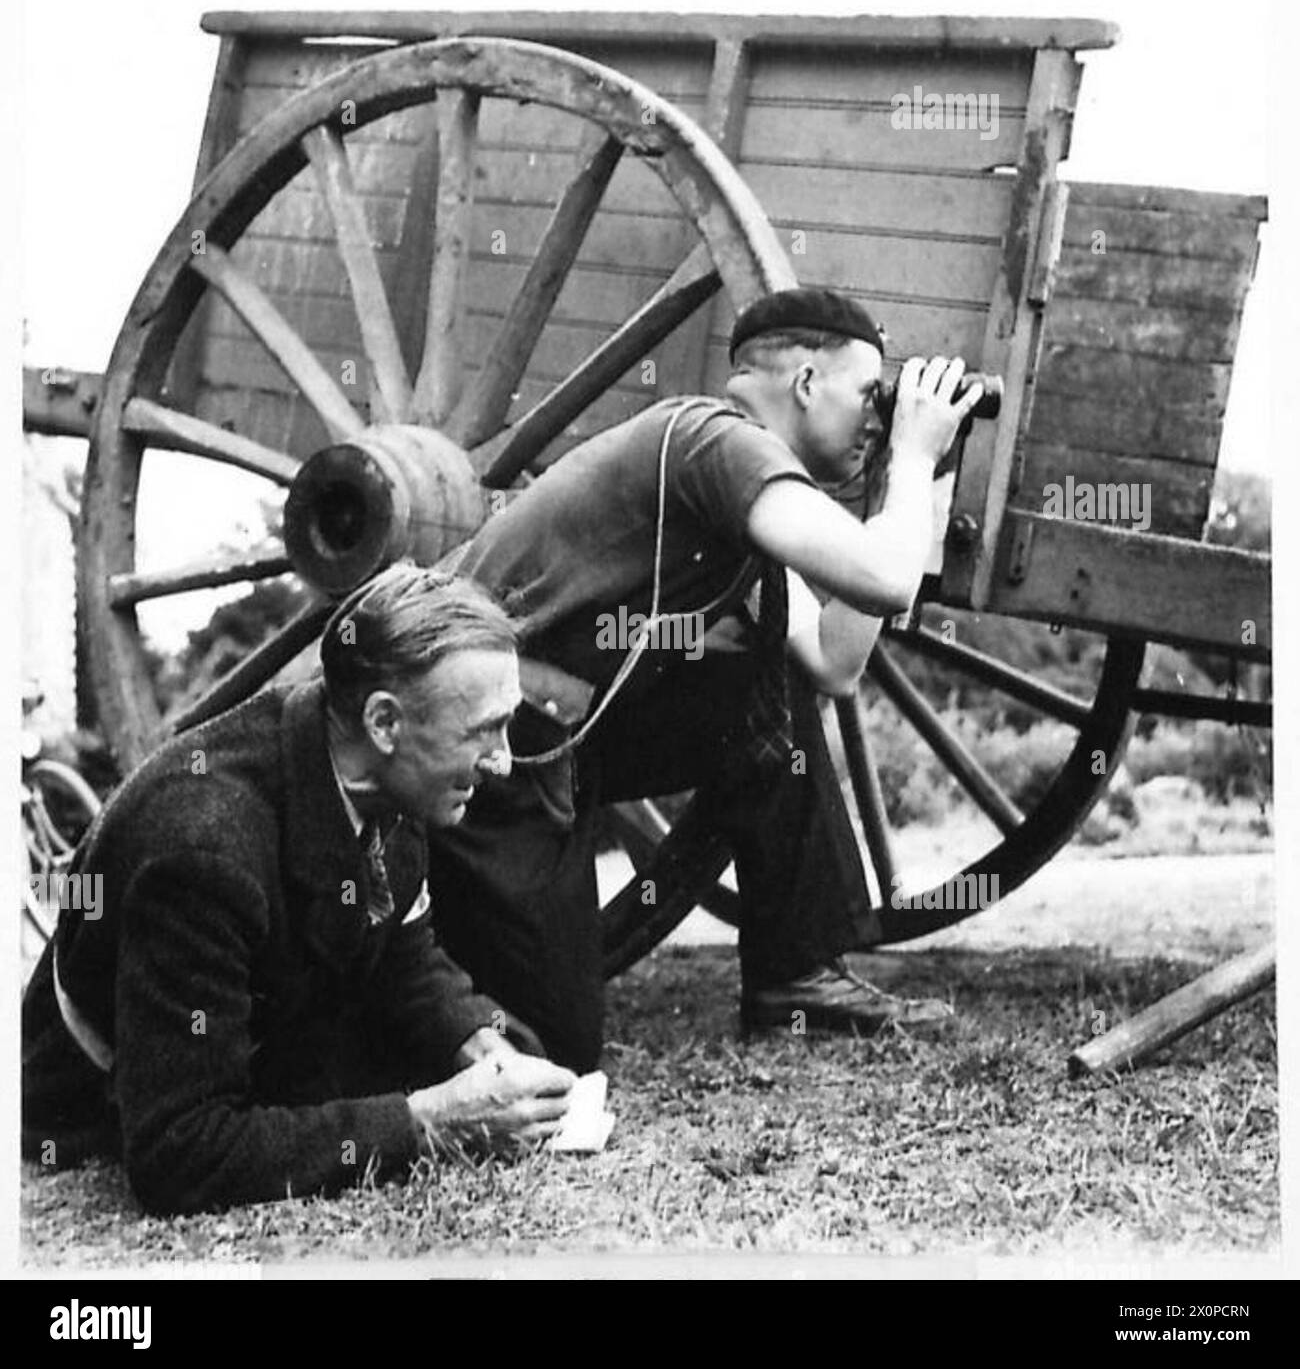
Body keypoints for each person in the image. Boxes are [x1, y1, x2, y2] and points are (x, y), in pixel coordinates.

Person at [428, 287, 984, 1072]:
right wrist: (918, 452)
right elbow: (884, 581)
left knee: (769, 687)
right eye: (869, 394)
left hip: (565, 741)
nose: (875, 417)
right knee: (554, 1055)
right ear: (804, 382)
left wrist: (918, 476)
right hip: (483, 747)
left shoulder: (736, 494)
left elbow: (832, 664)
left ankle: (794, 973)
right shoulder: (712, 442)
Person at [21, 567, 576, 1216]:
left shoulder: (375, 773)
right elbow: (180, 1151)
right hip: (93, 1105)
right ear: (385, 721)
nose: (504, 761)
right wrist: (430, 1122)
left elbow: (404, 953)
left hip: (274, 1042)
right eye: (483, 730)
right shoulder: (202, 847)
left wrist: (479, 1041)